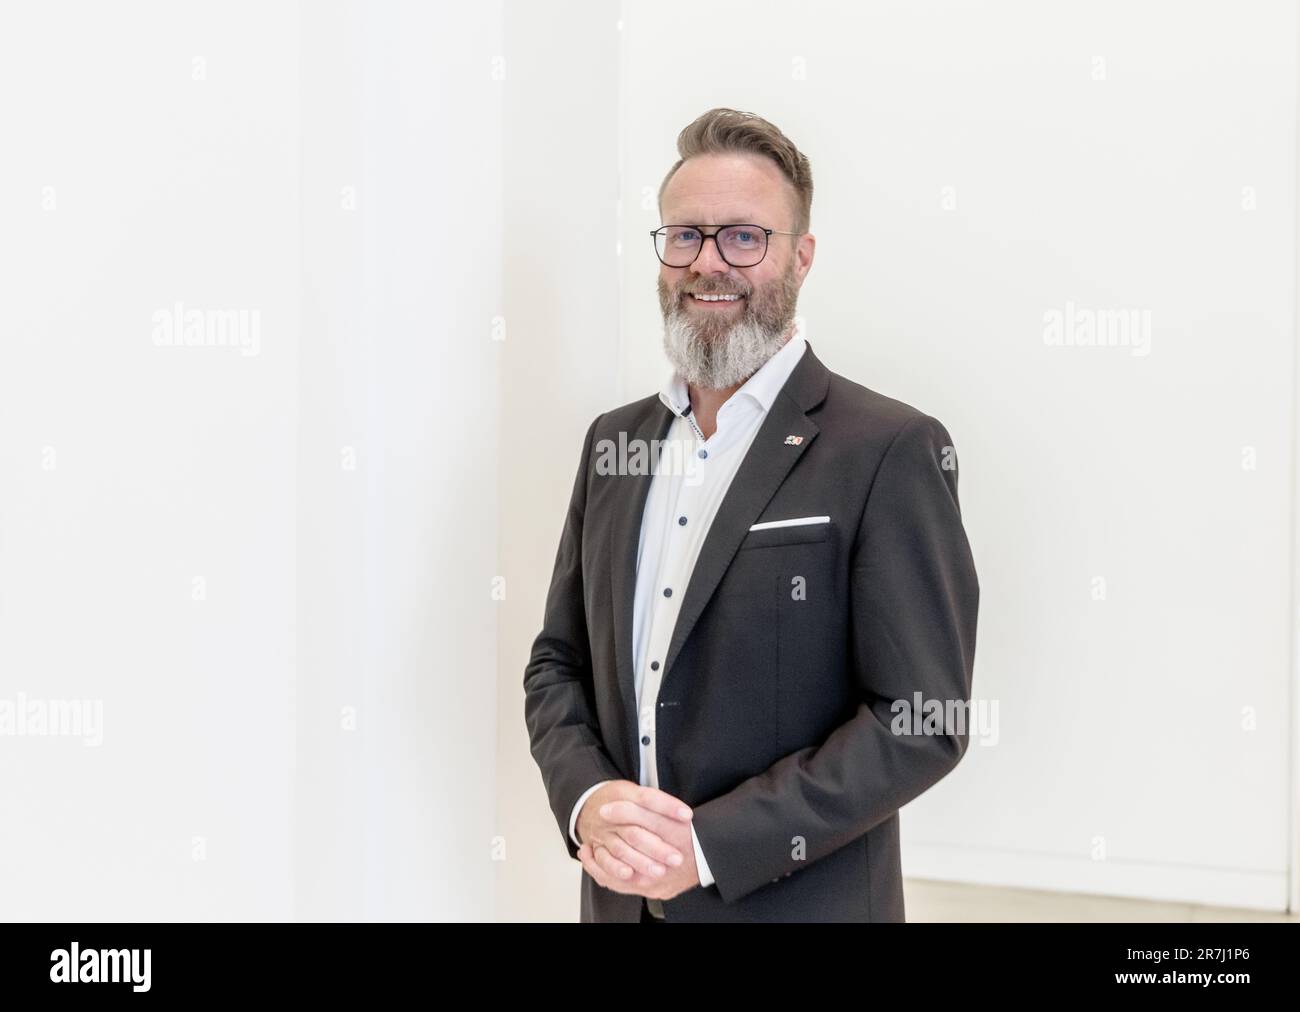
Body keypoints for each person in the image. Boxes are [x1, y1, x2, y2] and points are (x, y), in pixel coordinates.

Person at [523, 107, 979, 922]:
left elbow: (919, 721)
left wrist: (704, 848)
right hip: (618, 905)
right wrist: (589, 801)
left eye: (743, 237)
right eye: (686, 235)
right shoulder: (614, 443)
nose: (708, 263)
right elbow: (558, 663)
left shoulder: (888, 449)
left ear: (800, 256)